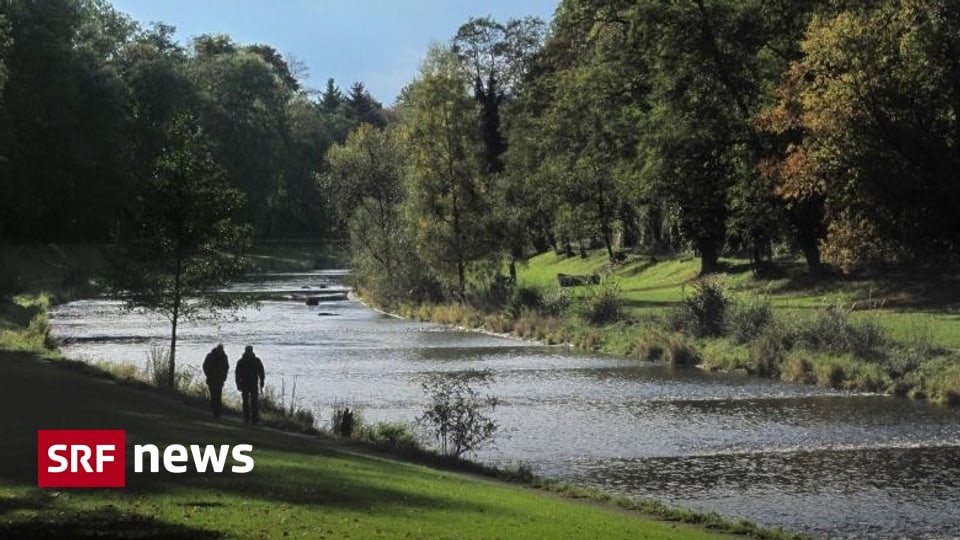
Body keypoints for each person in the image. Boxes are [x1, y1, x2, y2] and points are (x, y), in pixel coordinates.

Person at [235, 345, 265, 424]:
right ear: (246, 351)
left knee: (254, 401)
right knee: (246, 401)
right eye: (248, 351)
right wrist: (238, 383)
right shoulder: (242, 361)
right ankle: (247, 417)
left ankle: (254, 418)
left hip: (253, 383)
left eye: (250, 351)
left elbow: (261, 372)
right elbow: (237, 374)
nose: (249, 352)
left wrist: (262, 381)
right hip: (245, 383)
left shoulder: (256, 361)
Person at [202, 343, 229, 418]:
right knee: (214, 396)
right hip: (211, 380)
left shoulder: (224, 357)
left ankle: (218, 413)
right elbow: (205, 366)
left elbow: (226, 367)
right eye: (219, 349)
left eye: (221, 350)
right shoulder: (210, 356)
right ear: (217, 349)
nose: (220, 351)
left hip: (220, 380)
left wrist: (223, 377)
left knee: (218, 396)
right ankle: (215, 412)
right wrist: (209, 375)